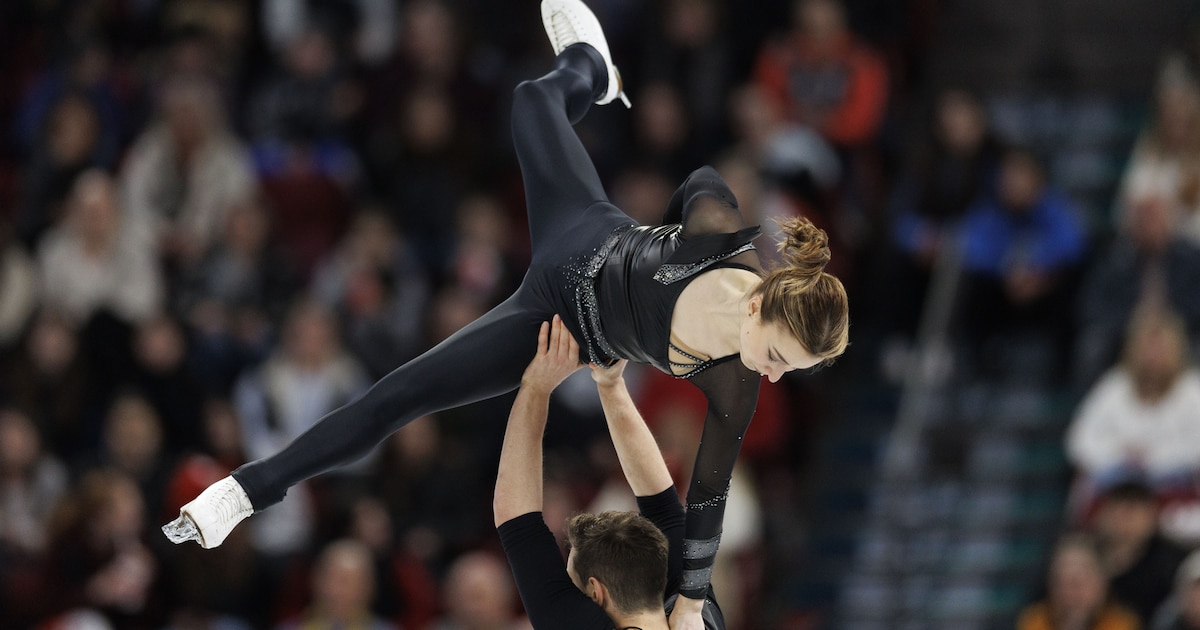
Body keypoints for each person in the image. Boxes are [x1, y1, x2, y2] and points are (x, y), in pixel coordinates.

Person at [164, 2, 849, 625]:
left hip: (557, 328)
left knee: (401, 395)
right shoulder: (719, 245)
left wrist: (695, 602)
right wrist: (665, 239)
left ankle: (243, 493)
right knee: (530, 99)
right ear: (760, 303)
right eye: (782, 357)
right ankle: (591, 69)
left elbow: (699, 505)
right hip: (587, 235)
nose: (777, 376)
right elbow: (704, 181)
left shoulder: (736, 383)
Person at [494, 315, 725, 629]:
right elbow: (517, 523)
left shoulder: (701, 614)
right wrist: (602, 383)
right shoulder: (696, 615)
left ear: (595, 592)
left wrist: (542, 387)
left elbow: (664, 508)